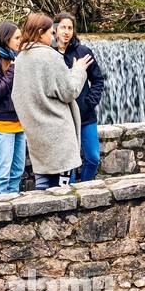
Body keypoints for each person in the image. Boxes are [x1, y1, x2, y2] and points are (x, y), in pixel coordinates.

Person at [11, 12, 91, 189]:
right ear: (40, 33)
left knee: (42, 185)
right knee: (61, 191)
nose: (53, 36)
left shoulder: (21, 58)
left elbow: (17, 95)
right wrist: (78, 70)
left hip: (36, 134)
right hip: (58, 136)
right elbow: (69, 92)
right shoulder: (51, 57)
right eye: (50, 32)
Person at [53, 12, 105, 182]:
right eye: (63, 27)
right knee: (68, 165)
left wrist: (89, 103)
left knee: (93, 158)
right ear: (55, 29)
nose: (66, 32)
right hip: (63, 119)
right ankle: (71, 195)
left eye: (70, 28)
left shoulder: (82, 52)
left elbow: (97, 79)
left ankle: (85, 188)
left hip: (85, 116)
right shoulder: (49, 54)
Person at [0, 21, 26, 194]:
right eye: (17, 38)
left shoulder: (13, 57)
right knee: (2, 173)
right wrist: (13, 69)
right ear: (6, 38)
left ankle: (12, 208)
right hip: (3, 126)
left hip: (20, 124)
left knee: (17, 172)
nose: (20, 41)